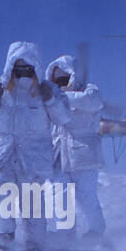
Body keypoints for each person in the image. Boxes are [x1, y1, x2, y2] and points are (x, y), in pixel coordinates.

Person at [0, 42, 72, 251]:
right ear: (10, 66)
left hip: (33, 157)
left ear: (36, 66)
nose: (24, 72)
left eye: (28, 67)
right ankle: (5, 234)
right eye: (19, 67)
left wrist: (51, 99)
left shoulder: (48, 90)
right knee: (2, 195)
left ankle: (36, 242)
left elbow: (64, 117)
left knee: (33, 200)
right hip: (3, 154)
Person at [47, 55, 107, 240]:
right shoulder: (52, 101)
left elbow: (94, 102)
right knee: (61, 197)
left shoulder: (89, 92)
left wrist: (61, 96)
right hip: (58, 156)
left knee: (86, 197)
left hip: (84, 155)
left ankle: (97, 231)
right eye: (57, 82)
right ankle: (66, 234)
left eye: (64, 80)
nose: (61, 85)